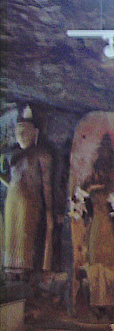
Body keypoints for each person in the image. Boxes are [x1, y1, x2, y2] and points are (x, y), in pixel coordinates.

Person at [78, 133, 114, 320]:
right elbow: (79, 206)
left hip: (112, 231)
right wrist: (91, 191)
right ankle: (96, 306)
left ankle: (110, 307)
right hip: (95, 230)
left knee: (111, 268)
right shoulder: (89, 183)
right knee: (95, 267)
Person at [1, 106, 54, 277]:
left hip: (30, 200)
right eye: (18, 131)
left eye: (25, 131)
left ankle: (25, 272)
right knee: (11, 237)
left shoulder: (42, 155)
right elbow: (11, 181)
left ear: (35, 133)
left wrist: (49, 210)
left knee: (25, 236)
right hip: (12, 198)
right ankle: (10, 270)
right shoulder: (13, 155)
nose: (21, 135)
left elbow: (46, 185)